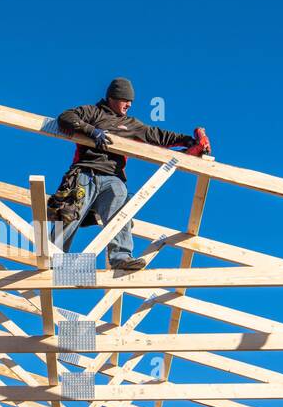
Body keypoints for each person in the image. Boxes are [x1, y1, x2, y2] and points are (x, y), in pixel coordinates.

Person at [51, 77, 210, 271]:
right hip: (86, 172)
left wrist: (188, 141)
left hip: (113, 177)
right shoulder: (93, 112)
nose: (129, 104)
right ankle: (54, 256)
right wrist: (91, 131)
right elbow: (65, 117)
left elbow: (157, 135)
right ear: (112, 97)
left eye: (131, 101)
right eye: (125, 100)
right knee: (70, 212)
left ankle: (121, 258)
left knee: (121, 203)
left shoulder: (131, 124)